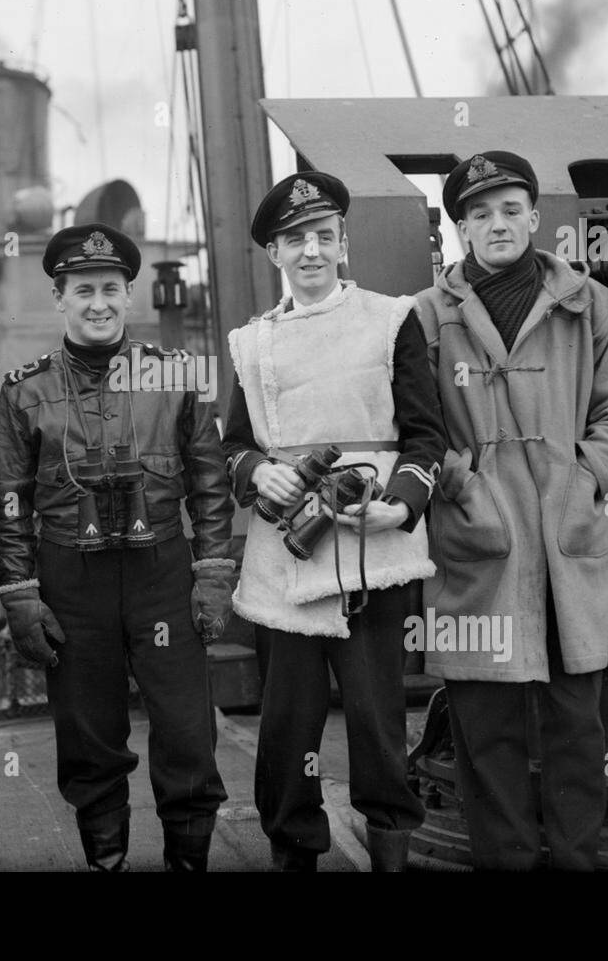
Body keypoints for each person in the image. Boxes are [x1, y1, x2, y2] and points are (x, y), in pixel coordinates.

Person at [414, 151, 608, 870]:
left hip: (567, 539)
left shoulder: (590, 306)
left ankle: (576, 862)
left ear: (535, 216)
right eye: (478, 214)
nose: (497, 224)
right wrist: (461, 482)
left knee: (577, 729)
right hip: (479, 543)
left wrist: (585, 474)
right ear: (459, 230)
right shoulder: (428, 317)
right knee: (487, 734)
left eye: (510, 209)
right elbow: (413, 423)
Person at [0, 222, 234, 872]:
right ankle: (108, 859)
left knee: (187, 735)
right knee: (89, 738)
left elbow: (210, 484)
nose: (97, 301)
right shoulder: (23, 392)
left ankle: (189, 860)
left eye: (110, 288)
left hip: (162, 575)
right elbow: (10, 502)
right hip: (72, 584)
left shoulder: (178, 379)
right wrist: (18, 592)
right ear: (59, 298)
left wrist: (212, 572)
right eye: (82, 289)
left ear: (128, 296)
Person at [222, 171, 446, 872]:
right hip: (283, 561)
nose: (311, 251)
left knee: (379, 725)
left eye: (324, 236)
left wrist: (401, 504)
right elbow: (230, 443)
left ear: (343, 242)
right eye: (296, 239)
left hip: (371, 553)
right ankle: (295, 851)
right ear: (275, 254)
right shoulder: (252, 343)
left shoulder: (391, 318)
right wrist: (259, 469)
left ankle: (390, 854)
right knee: (289, 731)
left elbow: (425, 436)